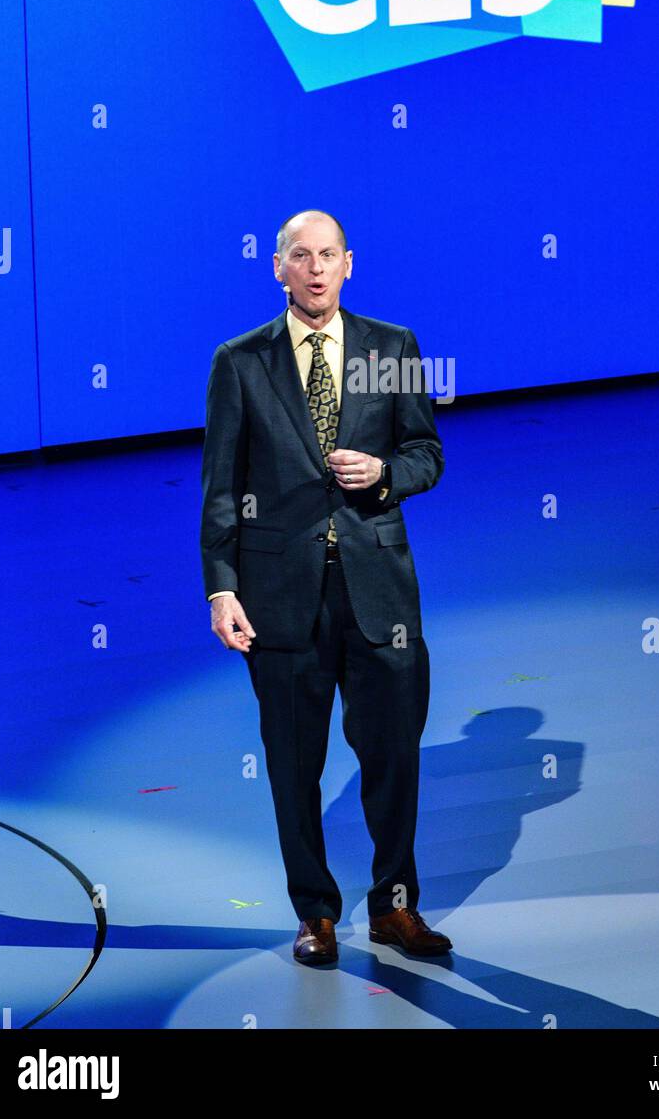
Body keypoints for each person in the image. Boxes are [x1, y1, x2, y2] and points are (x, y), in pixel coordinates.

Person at [200, 209, 451, 964]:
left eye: (328, 255)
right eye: (300, 256)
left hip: (378, 592)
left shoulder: (392, 347)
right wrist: (221, 587)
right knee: (292, 762)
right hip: (280, 598)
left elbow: (426, 454)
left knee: (394, 755)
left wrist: (383, 475)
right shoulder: (240, 362)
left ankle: (394, 907)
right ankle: (315, 913)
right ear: (277, 268)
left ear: (350, 263)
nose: (315, 269)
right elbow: (220, 488)